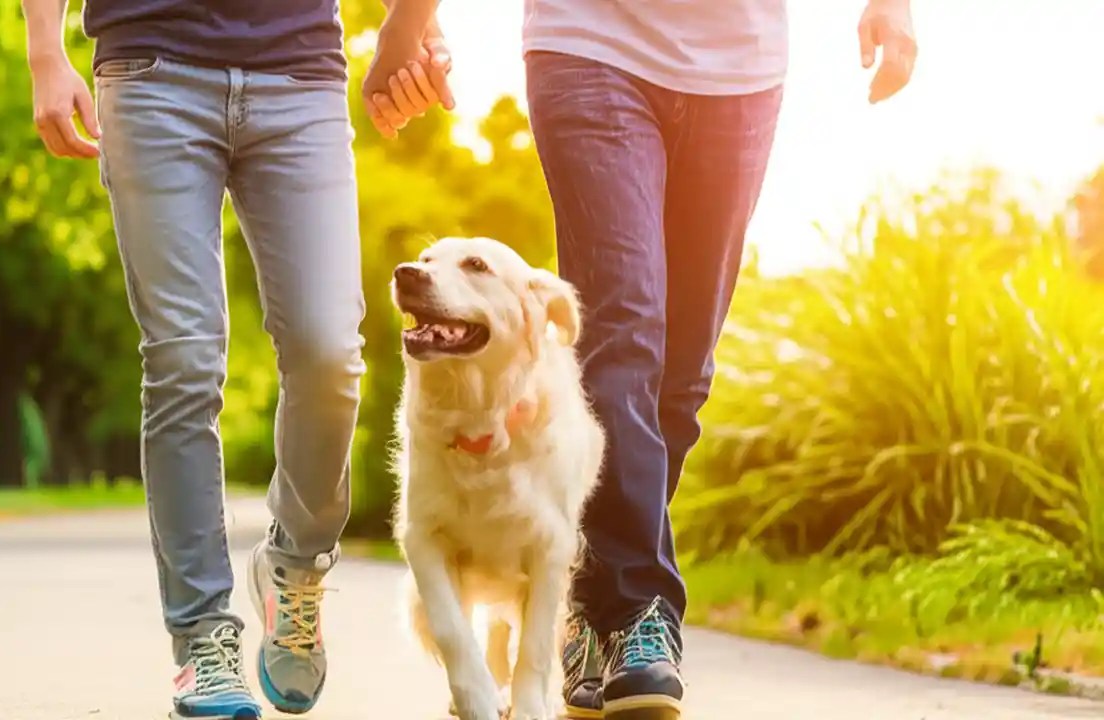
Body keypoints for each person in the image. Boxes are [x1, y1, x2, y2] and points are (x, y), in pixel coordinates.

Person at [364, 1, 918, 718]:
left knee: (681, 375)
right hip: (588, 43)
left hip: (740, 67)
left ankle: (587, 607)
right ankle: (637, 614)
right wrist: (411, 17)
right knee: (620, 329)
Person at [21, 1, 450, 718]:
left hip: (300, 74)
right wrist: (43, 50)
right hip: (150, 65)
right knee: (183, 360)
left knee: (330, 353)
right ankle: (201, 639)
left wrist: (411, 23)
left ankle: (296, 563)